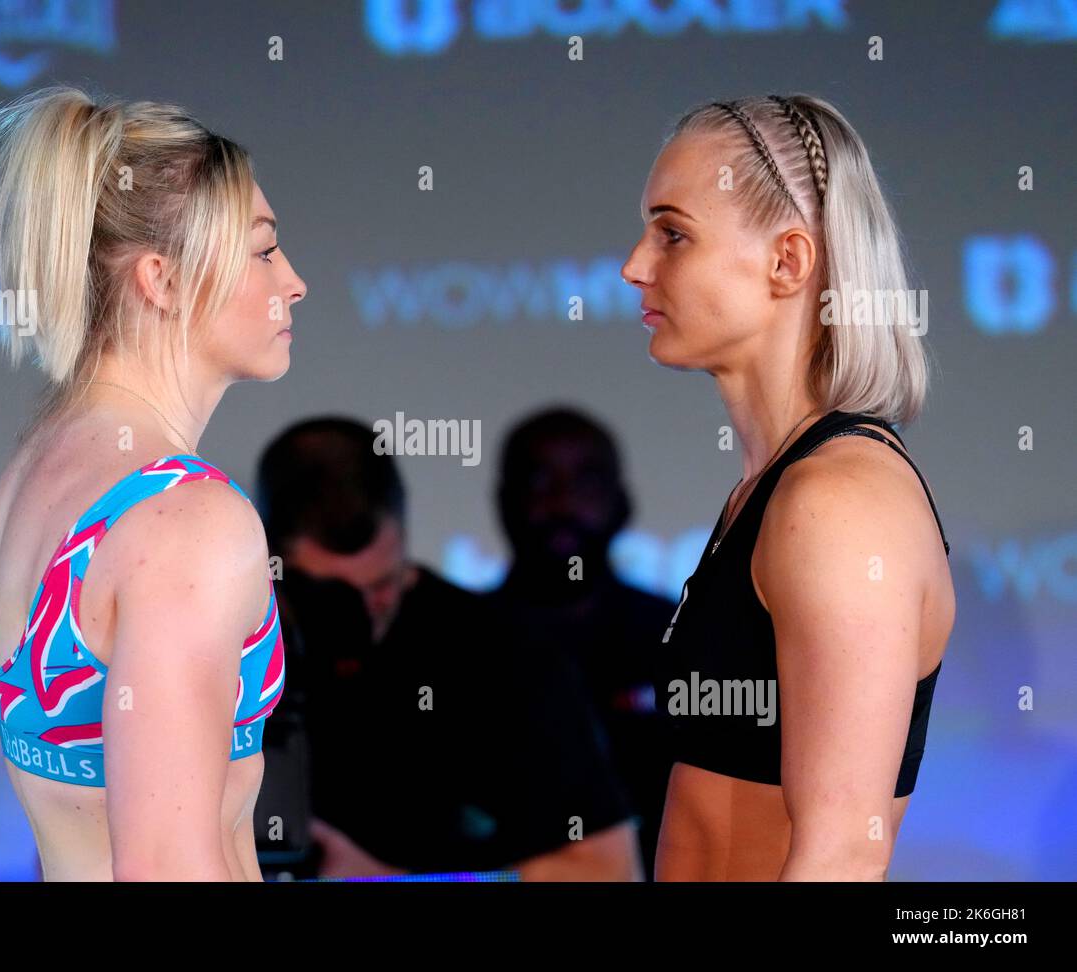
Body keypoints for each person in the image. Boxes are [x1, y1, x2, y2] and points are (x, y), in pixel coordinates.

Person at [0, 85, 306, 880]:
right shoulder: (187, 521)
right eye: (263, 250)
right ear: (161, 279)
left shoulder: (33, 472)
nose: (293, 282)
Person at [620, 94, 954, 880]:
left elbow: (843, 853)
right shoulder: (775, 489)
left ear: (788, 262)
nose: (635, 265)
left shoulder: (837, 504)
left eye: (673, 233)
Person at [256, 418, 641, 880]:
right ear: (270, 560)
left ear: (403, 536)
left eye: (382, 585)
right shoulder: (221, 656)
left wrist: (389, 881)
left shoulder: (501, 654)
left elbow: (606, 869)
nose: (361, 614)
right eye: (330, 597)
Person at [487, 406, 676, 879]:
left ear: (622, 502)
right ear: (504, 502)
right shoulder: (451, 643)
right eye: (538, 481)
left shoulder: (684, 637)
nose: (561, 502)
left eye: (586, 482)